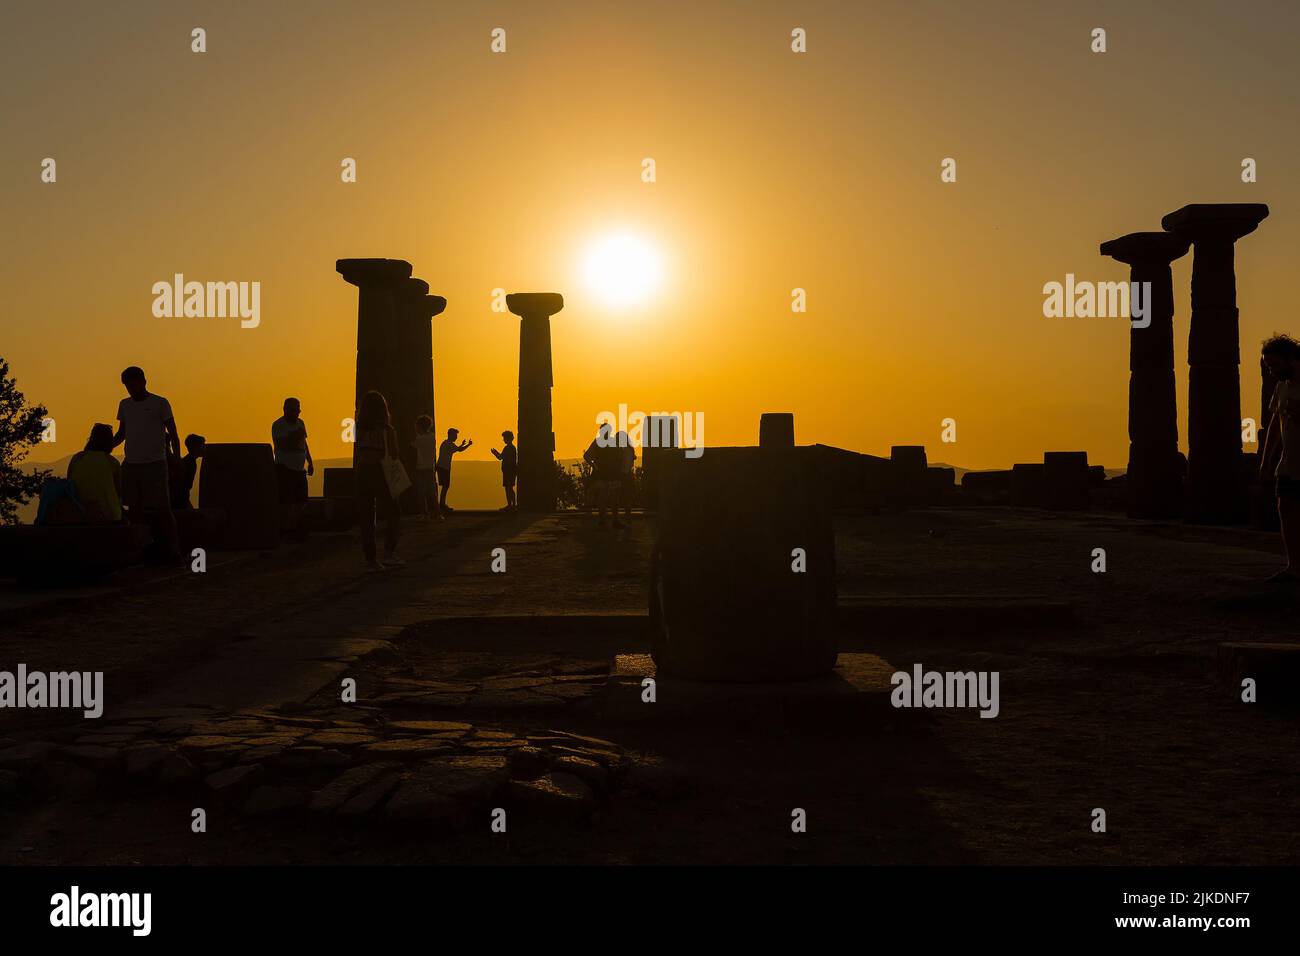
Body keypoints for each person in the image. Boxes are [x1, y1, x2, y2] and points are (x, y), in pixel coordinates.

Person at [112, 366, 180, 559]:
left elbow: (173, 434)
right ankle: (141, 552)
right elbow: (122, 433)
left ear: (143, 381)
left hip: (155, 462)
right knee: (134, 510)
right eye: (127, 386)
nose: (130, 389)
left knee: (163, 510)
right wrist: (104, 448)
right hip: (131, 463)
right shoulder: (124, 405)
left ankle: (173, 551)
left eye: (132, 384)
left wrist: (176, 458)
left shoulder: (160, 403)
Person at [1259, 334, 1300, 583]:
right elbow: (1275, 424)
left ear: (1291, 359)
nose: (1272, 372)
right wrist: (1266, 460)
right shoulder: (1282, 386)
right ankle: (1294, 567)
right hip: (1288, 462)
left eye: (1275, 366)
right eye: (1268, 367)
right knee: (1285, 510)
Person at [354, 390, 402, 571]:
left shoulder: (356, 427)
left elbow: (358, 450)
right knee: (394, 512)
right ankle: (389, 553)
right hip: (380, 471)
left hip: (362, 472)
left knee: (366, 517)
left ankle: (370, 559)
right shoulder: (387, 430)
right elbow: (394, 453)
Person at [272, 398, 313, 532]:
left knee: (301, 501)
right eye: (294, 410)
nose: (297, 413)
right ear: (285, 409)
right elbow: (283, 445)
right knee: (286, 502)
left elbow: (304, 445)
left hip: (299, 469)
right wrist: (295, 436)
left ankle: (295, 527)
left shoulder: (301, 423)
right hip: (284, 468)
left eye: (298, 410)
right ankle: (285, 529)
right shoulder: (278, 425)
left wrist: (310, 461)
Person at [67, 423, 122, 523]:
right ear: (109, 442)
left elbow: (69, 485)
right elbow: (119, 492)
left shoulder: (77, 458)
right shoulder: (112, 463)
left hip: (79, 513)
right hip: (108, 515)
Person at [583, 423, 622, 528]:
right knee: (612, 499)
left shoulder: (597, 442)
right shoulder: (613, 442)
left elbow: (586, 456)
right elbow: (619, 457)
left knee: (604, 498)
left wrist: (594, 465)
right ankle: (613, 520)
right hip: (612, 474)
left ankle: (603, 521)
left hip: (602, 474)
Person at [436, 427, 472, 513]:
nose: (456, 437)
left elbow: (457, 449)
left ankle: (441, 504)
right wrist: (468, 445)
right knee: (445, 486)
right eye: (455, 435)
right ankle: (442, 504)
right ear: (451, 435)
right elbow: (459, 449)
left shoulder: (446, 443)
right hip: (444, 467)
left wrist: (462, 444)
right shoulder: (449, 444)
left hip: (442, 466)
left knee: (445, 486)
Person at [412, 415, 440, 518]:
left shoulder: (420, 439)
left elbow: (413, 445)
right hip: (430, 467)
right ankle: (437, 513)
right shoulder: (432, 437)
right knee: (432, 492)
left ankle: (423, 513)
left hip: (421, 468)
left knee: (421, 492)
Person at [170, 433, 205, 509]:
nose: (204, 448)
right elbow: (183, 485)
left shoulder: (189, 461)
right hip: (179, 499)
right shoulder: (189, 463)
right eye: (202, 446)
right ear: (196, 447)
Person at [491, 430, 518, 510]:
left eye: (504, 438)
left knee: (508, 487)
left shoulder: (508, 448)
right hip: (509, 470)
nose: (503, 440)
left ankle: (511, 505)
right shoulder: (511, 448)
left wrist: (495, 453)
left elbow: (500, 457)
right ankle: (512, 505)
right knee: (509, 487)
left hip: (509, 470)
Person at [615, 429, 636, 528]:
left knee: (618, 498)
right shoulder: (631, 450)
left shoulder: (620, 450)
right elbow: (631, 464)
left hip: (621, 476)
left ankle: (620, 519)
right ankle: (628, 518)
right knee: (628, 498)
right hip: (629, 475)